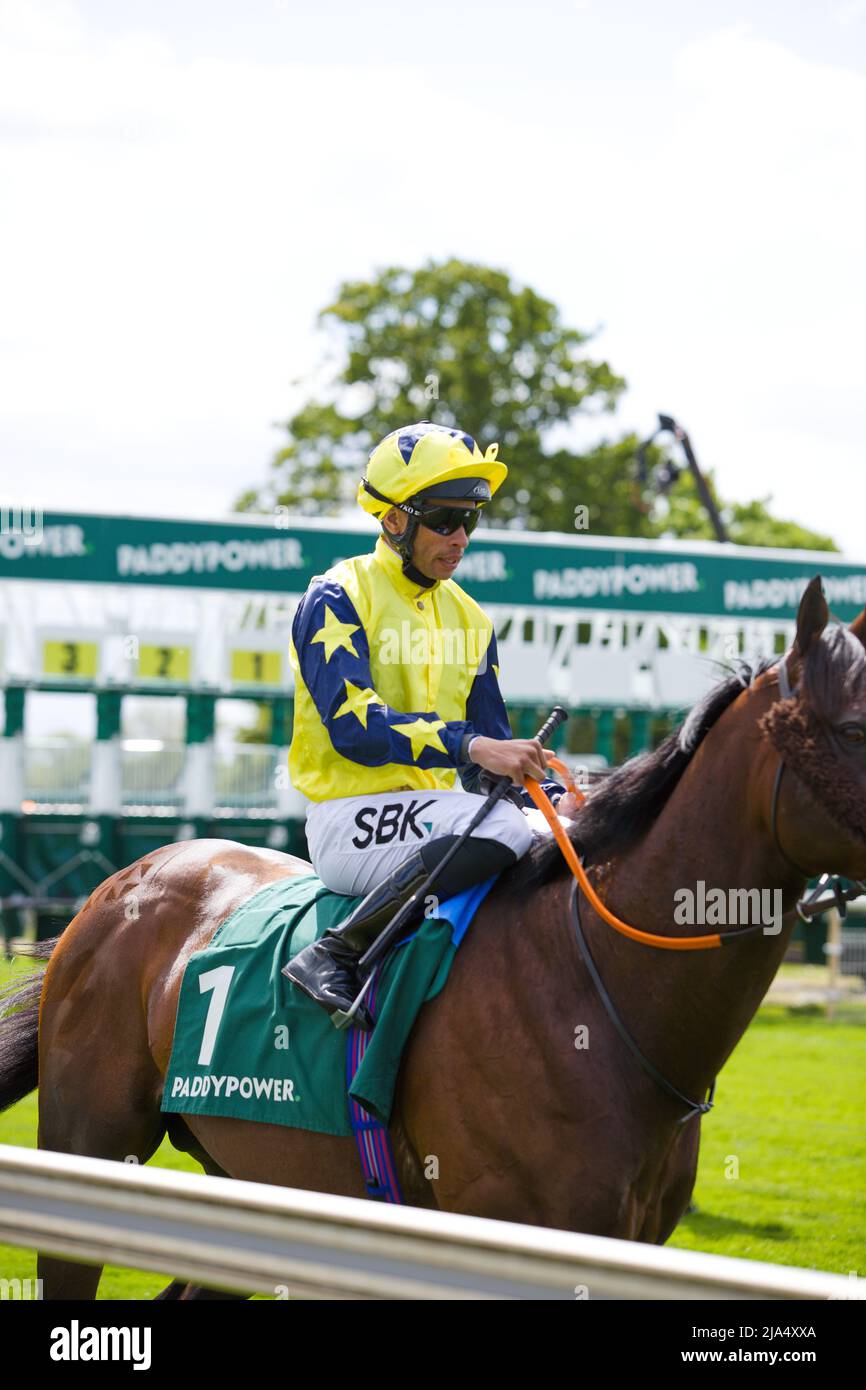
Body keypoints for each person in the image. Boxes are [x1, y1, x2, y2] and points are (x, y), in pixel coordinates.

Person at [282, 421, 580, 1027]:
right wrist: (473, 746)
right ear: (395, 520)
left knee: (561, 833)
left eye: (471, 519)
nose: (461, 537)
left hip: (441, 819)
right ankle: (338, 950)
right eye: (445, 520)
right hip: (348, 820)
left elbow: (492, 758)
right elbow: (356, 729)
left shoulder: (471, 619)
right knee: (505, 829)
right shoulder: (335, 595)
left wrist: (559, 801)